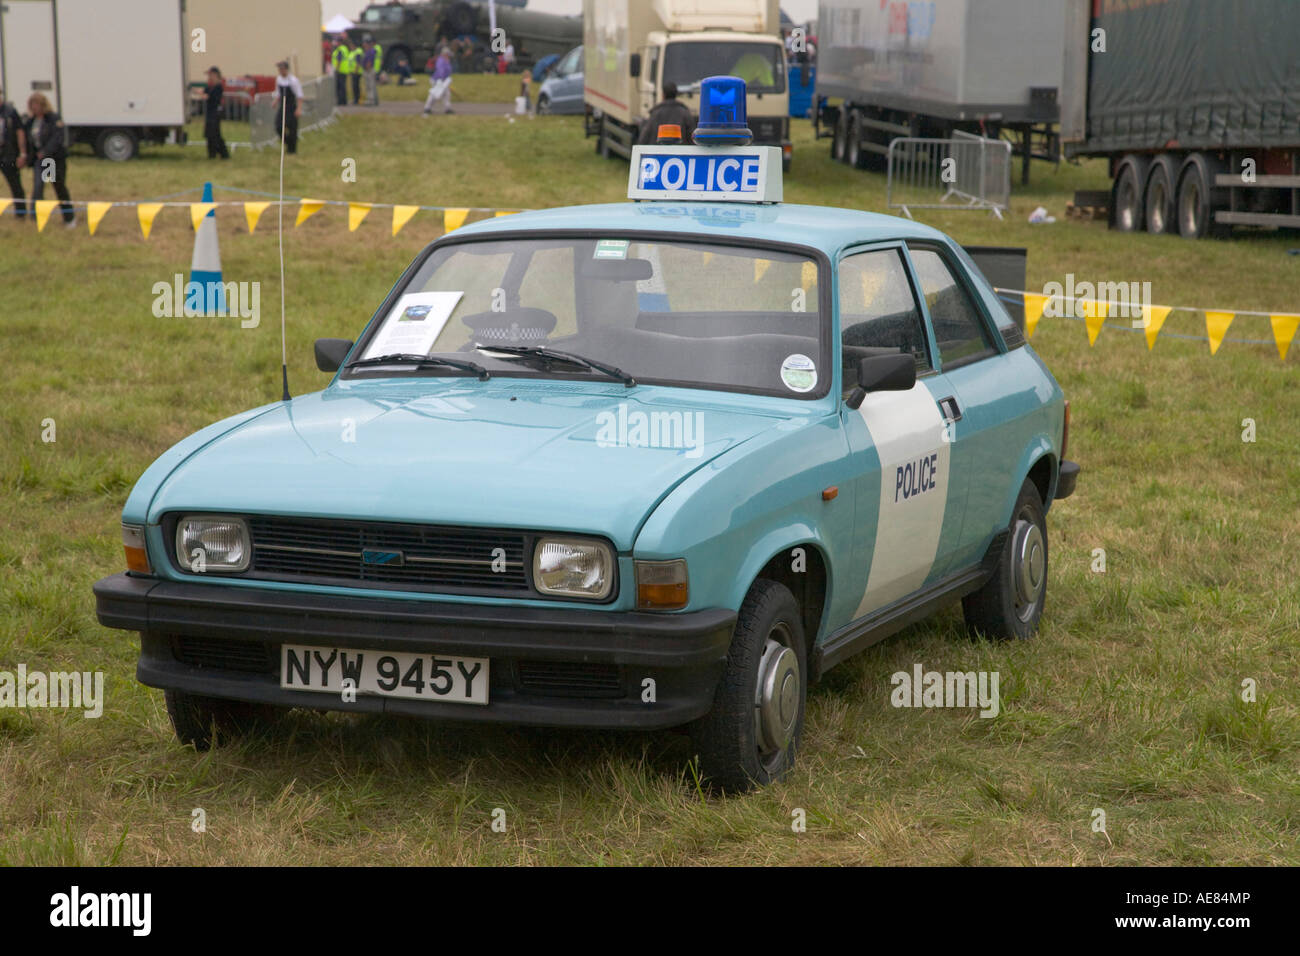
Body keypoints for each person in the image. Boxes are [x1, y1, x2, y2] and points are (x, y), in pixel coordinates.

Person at [25, 93, 74, 227]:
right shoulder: (31, 121)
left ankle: (69, 218)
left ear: (43, 105)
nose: (34, 108)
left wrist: (46, 151)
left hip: (53, 160)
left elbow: (57, 138)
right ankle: (36, 218)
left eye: (36, 105)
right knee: (38, 187)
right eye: (32, 105)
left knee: (58, 187)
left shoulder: (53, 118)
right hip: (39, 160)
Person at [0, 86, 28, 221]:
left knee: (15, 184)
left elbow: (20, 131)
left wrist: (22, 153)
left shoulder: (10, 111)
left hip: (8, 154)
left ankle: (20, 213)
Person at [272, 60, 304, 154]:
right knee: (278, 126)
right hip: (283, 106)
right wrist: (275, 101)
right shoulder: (278, 79)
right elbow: (278, 93)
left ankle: (292, 149)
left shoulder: (293, 81)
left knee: (292, 128)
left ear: (286, 69)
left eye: (282, 69)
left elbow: (299, 95)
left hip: (291, 106)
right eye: (279, 69)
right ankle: (287, 142)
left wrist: (299, 108)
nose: (280, 71)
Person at [203, 67, 229, 159]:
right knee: (209, 135)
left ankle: (224, 154)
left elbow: (209, 97)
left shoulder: (218, 86)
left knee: (215, 134)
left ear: (215, 75)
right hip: (210, 113)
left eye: (210, 75)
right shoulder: (210, 86)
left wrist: (205, 96)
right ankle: (212, 154)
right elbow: (204, 92)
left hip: (215, 113)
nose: (209, 77)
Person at [423, 46, 454, 115]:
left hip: (443, 81)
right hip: (437, 80)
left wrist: (446, 81)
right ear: (444, 54)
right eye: (448, 54)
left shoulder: (446, 61)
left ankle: (447, 108)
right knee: (434, 94)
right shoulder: (441, 60)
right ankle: (427, 108)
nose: (449, 56)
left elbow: (448, 72)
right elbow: (441, 71)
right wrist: (442, 80)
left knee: (446, 94)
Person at [331, 37, 352, 106]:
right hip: (344, 70)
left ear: (339, 42)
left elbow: (339, 60)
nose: (336, 43)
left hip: (340, 71)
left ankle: (340, 101)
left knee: (340, 87)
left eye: (336, 42)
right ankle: (344, 101)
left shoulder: (340, 49)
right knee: (343, 87)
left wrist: (336, 69)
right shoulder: (345, 49)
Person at [360, 35, 380, 106]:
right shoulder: (367, 51)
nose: (363, 44)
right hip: (368, 70)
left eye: (364, 43)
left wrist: (366, 69)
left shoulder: (370, 51)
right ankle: (373, 100)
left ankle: (371, 100)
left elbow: (369, 62)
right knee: (370, 86)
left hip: (369, 70)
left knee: (370, 86)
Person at [347, 38, 364, 104]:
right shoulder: (352, 52)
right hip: (353, 71)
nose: (350, 47)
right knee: (354, 86)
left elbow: (358, 62)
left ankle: (357, 100)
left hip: (357, 72)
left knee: (356, 86)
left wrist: (356, 70)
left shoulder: (358, 52)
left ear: (354, 45)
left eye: (351, 45)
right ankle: (355, 99)